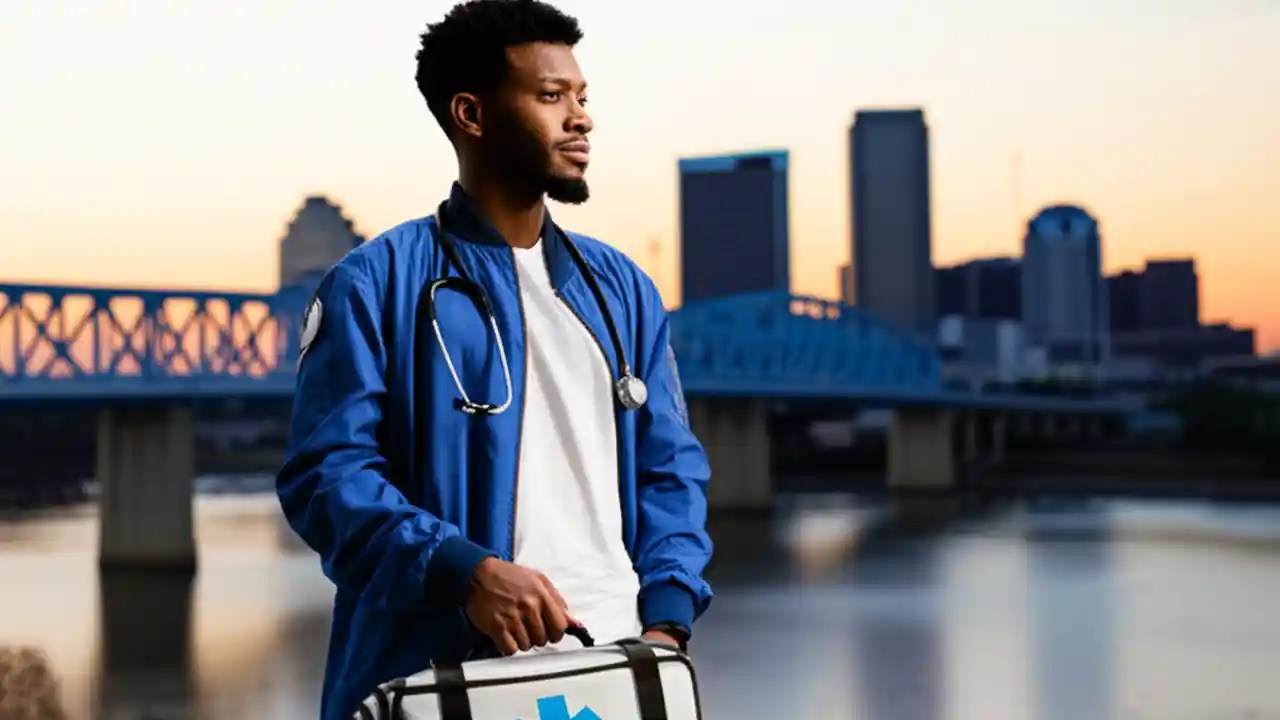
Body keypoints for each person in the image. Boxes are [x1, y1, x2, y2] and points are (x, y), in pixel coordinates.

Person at [274, 1, 714, 717]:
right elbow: (326, 478)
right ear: (471, 115)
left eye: (581, 96)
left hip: (615, 674)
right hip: (445, 680)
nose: (581, 118)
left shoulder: (621, 289)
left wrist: (665, 622)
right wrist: (464, 572)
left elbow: (670, 470)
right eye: (550, 96)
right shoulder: (376, 282)